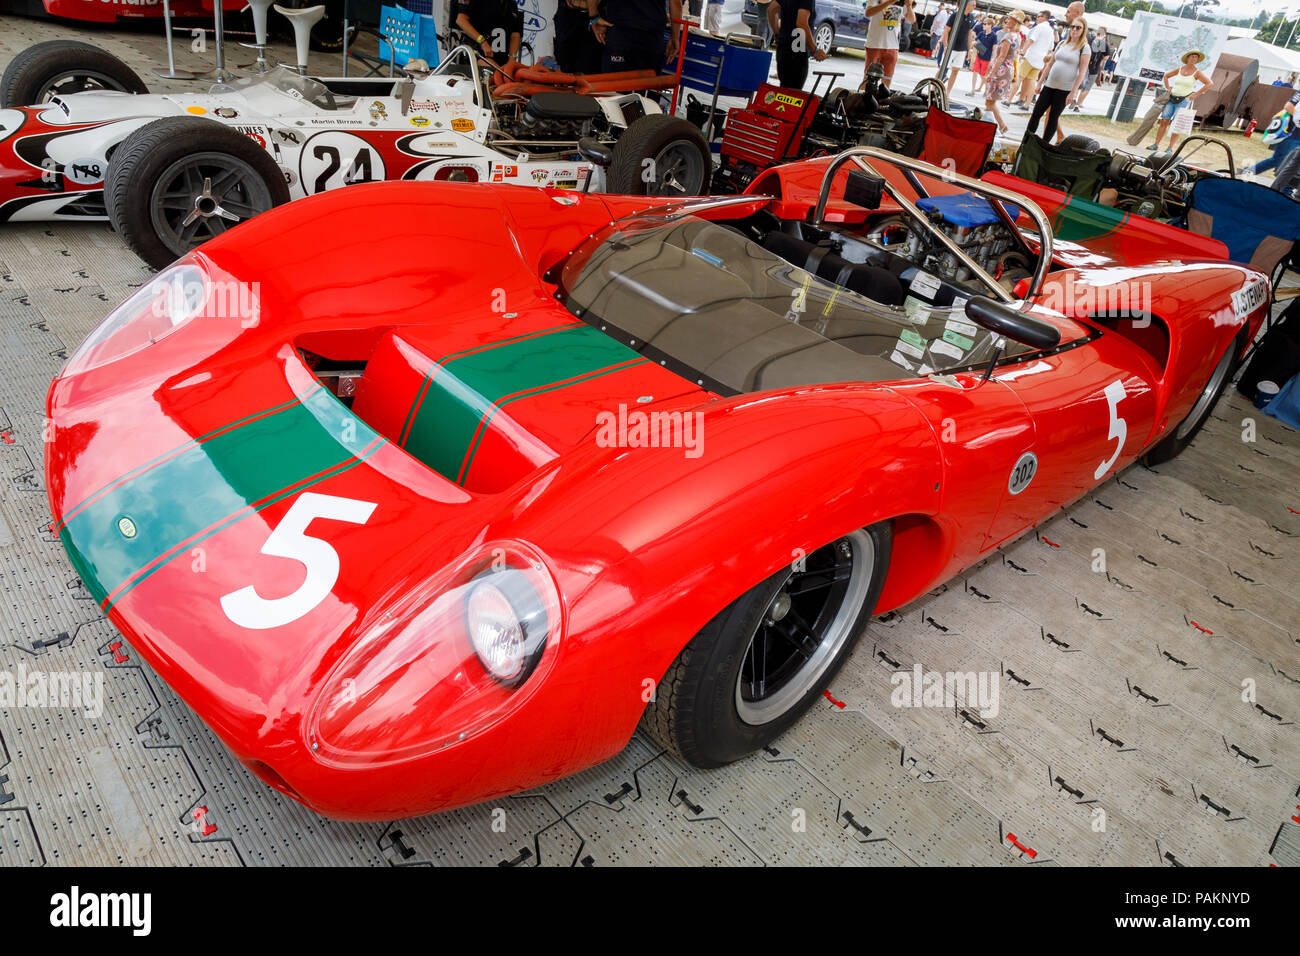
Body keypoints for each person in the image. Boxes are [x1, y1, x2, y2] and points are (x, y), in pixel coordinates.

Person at [1026, 16, 1089, 144]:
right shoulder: (1062, 43)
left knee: (1053, 117)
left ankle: (1044, 145)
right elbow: (1050, 64)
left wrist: (1074, 92)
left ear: (1083, 30)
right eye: (1073, 27)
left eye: (1078, 27)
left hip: (1065, 89)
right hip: (1049, 85)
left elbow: (1081, 72)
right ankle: (1027, 141)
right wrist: (1039, 82)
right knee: (1036, 113)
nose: (1075, 30)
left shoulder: (1084, 48)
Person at [1149, 49, 1212, 152]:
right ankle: (1156, 144)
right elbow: (1166, 76)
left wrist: (1196, 94)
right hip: (1172, 98)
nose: (1194, 59)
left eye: (1196, 57)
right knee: (1164, 121)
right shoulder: (1179, 69)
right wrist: (1168, 87)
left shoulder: (1197, 72)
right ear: (1187, 58)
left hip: (1184, 100)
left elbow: (1209, 83)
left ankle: (1170, 148)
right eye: (1192, 56)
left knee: (1177, 124)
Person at [594, 0, 683, 72]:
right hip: (651, 39)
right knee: (645, 89)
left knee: (614, 89)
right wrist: (675, 37)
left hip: (621, 35)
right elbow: (675, 2)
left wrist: (593, 16)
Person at [767, 0, 827, 89]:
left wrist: (777, 33)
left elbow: (771, 10)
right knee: (793, 93)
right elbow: (801, 23)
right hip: (796, 51)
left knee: (784, 89)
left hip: (783, 48)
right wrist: (815, 50)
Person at [984, 9, 1025, 134]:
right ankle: (989, 124)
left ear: (1015, 22)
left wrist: (991, 73)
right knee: (990, 101)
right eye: (1008, 18)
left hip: (1001, 71)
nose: (1007, 21)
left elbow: (1001, 57)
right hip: (1007, 70)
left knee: (990, 101)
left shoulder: (1008, 37)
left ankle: (1001, 126)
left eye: (1011, 19)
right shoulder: (1017, 36)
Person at [863, 0, 916, 88]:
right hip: (875, 44)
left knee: (887, 81)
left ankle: (881, 101)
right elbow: (868, 13)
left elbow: (912, 20)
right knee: (868, 80)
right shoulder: (876, 1)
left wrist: (909, 5)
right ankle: (861, 100)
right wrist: (888, 3)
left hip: (892, 46)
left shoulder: (901, 3)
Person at [1243, 98, 1300, 177]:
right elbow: (1288, 106)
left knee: (1291, 164)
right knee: (1279, 160)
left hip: (1295, 136)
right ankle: (1247, 171)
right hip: (1291, 134)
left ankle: (1248, 171)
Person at [456, 0, 523, 65]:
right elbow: (461, 20)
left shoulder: (512, 4)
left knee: (512, 73)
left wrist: (512, 58)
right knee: (496, 72)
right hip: (477, 54)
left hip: (502, 58)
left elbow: (515, 34)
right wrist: (482, 42)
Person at [1012, 10, 1054, 108]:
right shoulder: (1050, 30)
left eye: (1039, 16)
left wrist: (1023, 51)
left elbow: (1031, 40)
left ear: (1044, 17)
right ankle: (1025, 103)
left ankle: (1008, 99)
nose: (1037, 18)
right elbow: (1051, 48)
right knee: (1031, 82)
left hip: (1031, 56)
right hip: (1040, 59)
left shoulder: (1039, 27)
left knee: (1019, 77)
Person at [553, 0, 603, 74]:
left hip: (595, 16)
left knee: (589, 68)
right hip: (567, 12)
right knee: (563, 65)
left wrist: (594, 16)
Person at [941, 0, 978, 96]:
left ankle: (947, 93)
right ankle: (934, 88)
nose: (974, 7)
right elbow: (946, 31)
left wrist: (969, 49)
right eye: (973, 5)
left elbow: (970, 34)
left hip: (962, 49)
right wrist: (945, 46)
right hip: (951, 47)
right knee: (943, 69)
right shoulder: (955, 15)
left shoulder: (971, 17)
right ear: (967, 5)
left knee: (955, 70)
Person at [1071, 25, 1107, 110]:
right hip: (1094, 67)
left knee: (1078, 82)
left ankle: (1074, 99)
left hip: (1083, 63)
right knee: (1087, 86)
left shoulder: (1089, 38)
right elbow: (1105, 56)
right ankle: (1079, 103)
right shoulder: (1104, 43)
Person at [970, 14, 997, 94]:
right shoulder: (981, 33)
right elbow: (975, 41)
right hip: (979, 56)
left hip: (987, 58)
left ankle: (987, 89)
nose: (983, 25)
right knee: (975, 72)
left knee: (983, 75)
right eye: (983, 23)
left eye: (985, 24)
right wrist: (971, 46)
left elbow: (995, 49)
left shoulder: (994, 36)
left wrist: (993, 59)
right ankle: (972, 90)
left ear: (990, 25)